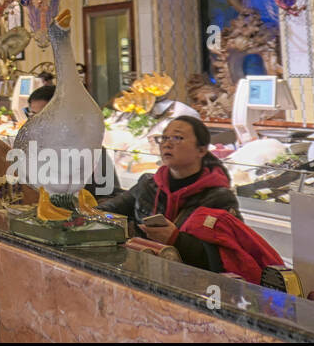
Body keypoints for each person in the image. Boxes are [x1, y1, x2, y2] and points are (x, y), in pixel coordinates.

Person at [95, 115, 240, 271]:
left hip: (192, 285)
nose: (167, 144)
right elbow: (106, 212)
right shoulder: (148, 185)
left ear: (202, 149)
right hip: (141, 273)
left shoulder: (219, 198)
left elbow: (228, 257)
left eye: (177, 138)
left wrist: (176, 239)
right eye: (163, 138)